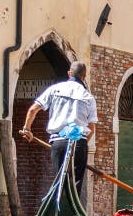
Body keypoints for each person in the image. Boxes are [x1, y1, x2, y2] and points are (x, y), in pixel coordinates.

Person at [20, 61, 98, 194]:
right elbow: (91, 127)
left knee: (59, 183)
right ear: (84, 77)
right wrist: (82, 144)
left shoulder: (54, 89)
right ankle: (71, 213)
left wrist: (27, 130)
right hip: (79, 143)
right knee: (75, 186)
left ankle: (58, 209)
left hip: (59, 142)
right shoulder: (88, 97)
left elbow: (33, 110)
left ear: (69, 74)